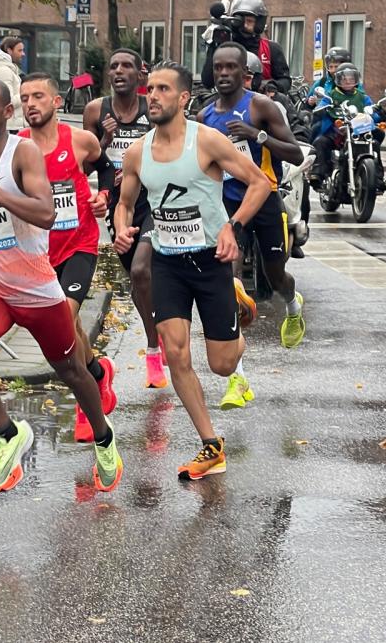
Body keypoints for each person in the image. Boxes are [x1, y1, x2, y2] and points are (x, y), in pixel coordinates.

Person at [0, 78, 123, 493]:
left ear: (6, 114)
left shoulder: (23, 153)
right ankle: (9, 433)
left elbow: (45, 213)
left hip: (36, 288)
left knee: (71, 371)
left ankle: (103, 436)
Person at [112, 61, 272, 480]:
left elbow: (259, 184)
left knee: (221, 365)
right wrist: (121, 228)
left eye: (163, 89)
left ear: (183, 98)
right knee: (177, 352)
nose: (153, 96)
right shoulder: (138, 151)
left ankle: (236, 313)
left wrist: (232, 227)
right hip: (168, 262)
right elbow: (125, 202)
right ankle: (210, 444)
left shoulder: (208, 142)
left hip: (210, 260)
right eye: (151, 89)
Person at [199, 43, 307, 410]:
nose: (224, 73)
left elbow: (295, 153)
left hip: (264, 198)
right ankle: (237, 378)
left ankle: (293, 305)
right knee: (227, 283)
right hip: (225, 204)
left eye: (232, 67)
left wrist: (255, 134)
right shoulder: (204, 115)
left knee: (276, 277)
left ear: (245, 73)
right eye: (219, 68)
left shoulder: (261, 106)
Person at [18, 72, 117, 443]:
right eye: (25, 97)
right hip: (39, 253)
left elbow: (106, 168)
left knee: (65, 318)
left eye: (38, 96)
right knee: (69, 328)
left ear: (56, 102)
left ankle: (83, 406)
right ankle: (96, 373)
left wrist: (104, 196)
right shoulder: (17, 147)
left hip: (79, 243)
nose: (31, 104)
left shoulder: (79, 140)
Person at [82, 49, 168, 390]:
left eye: (127, 66)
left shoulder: (153, 108)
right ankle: (156, 332)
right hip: (120, 205)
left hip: (154, 202)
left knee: (140, 270)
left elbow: (171, 149)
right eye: (114, 66)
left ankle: (151, 350)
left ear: (140, 75)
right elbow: (84, 166)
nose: (119, 71)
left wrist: (138, 169)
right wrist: (105, 143)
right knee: (138, 280)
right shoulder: (95, 111)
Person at [310, 63, 386, 191]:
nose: (347, 81)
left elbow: (371, 111)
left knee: (374, 144)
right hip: (337, 132)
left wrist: (380, 114)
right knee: (321, 142)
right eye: (343, 78)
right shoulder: (330, 95)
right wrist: (321, 109)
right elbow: (320, 106)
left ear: (356, 80)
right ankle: (318, 174)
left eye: (351, 78)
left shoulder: (362, 97)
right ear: (337, 80)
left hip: (359, 131)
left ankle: (378, 179)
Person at [202, 0, 291, 94]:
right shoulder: (225, 48)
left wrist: (272, 86)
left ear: (258, 24)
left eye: (249, 21)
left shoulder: (271, 49)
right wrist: (214, 46)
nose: (245, 25)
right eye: (240, 21)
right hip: (230, 103)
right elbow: (207, 82)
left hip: (262, 103)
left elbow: (285, 80)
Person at [0, 36, 27, 133]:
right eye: (20, 50)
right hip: (10, 127)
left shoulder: (9, 69)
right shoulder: (4, 71)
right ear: (9, 50)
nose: (23, 54)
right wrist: (25, 95)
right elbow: (8, 101)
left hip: (12, 125)